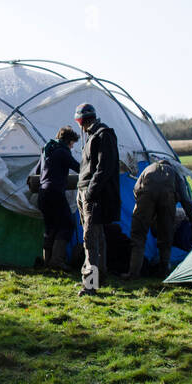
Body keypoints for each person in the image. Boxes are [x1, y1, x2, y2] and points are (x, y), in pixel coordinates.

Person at [74, 102, 119, 296]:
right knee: (96, 237)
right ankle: (97, 278)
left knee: (90, 239)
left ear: (80, 120)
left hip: (93, 195)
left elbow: (104, 169)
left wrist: (90, 193)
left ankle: (91, 285)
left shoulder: (103, 135)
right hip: (85, 192)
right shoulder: (94, 135)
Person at [128, 156, 192, 280]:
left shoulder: (148, 169)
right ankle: (163, 271)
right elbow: (185, 199)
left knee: (138, 237)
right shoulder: (174, 173)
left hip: (145, 198)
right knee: (165, 237)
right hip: (167, 200)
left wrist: (145, 210)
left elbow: (136, 190)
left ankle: (133, 273)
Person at [36, 126, 80, 271]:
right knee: (68, 224)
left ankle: (46, 261)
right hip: (55, 192)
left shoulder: (46, 150)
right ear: (68, 141)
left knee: (50, 227)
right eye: (72, 143)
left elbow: (38, 171)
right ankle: (57, 260)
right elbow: (77, 167)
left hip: (42, 193)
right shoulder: (62, 151)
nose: (72, 146)